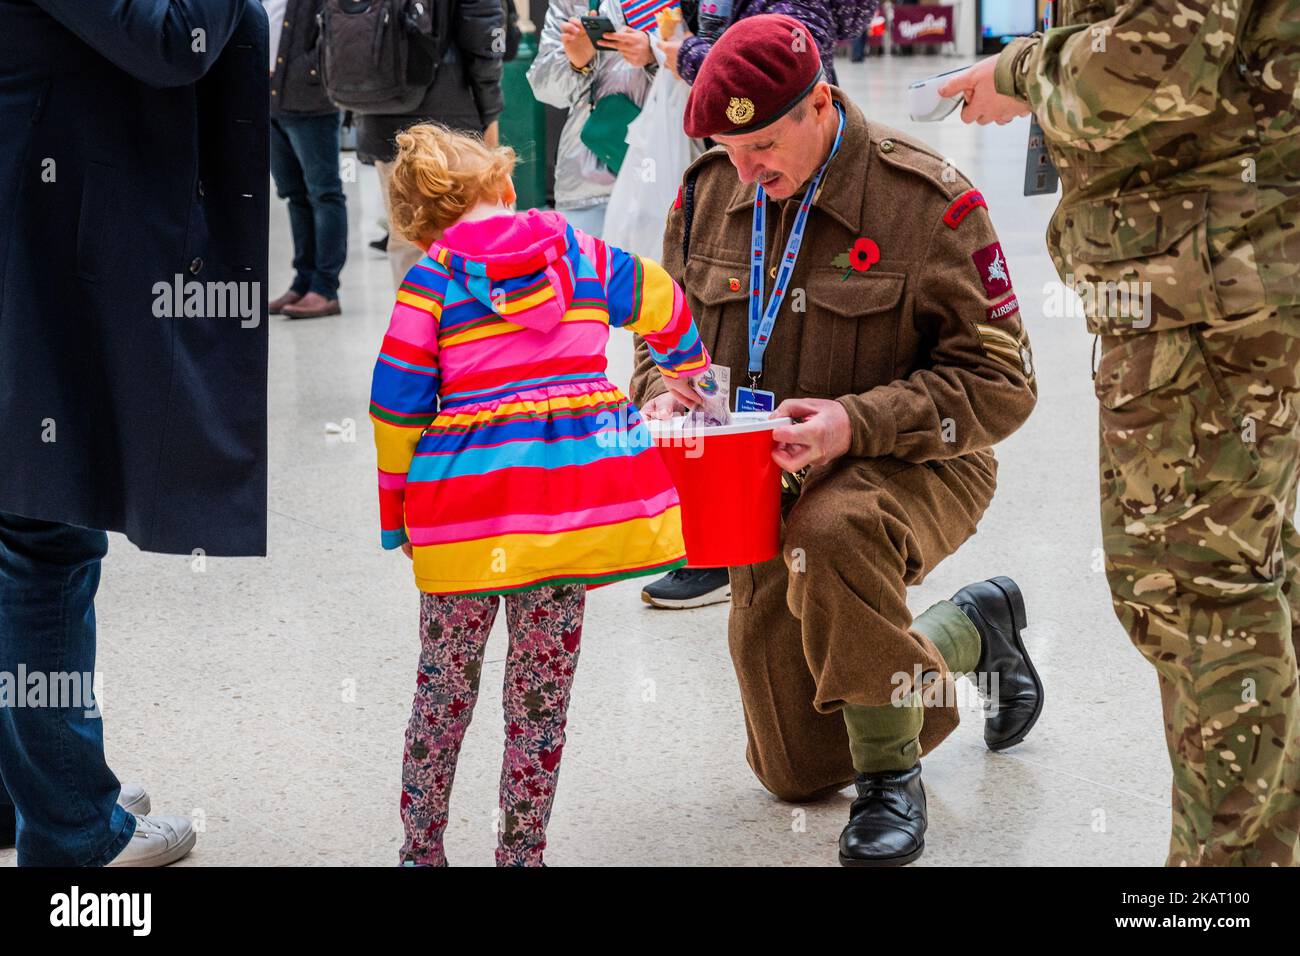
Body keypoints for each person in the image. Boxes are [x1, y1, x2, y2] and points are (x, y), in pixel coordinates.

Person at [630, 14, 1042, 866]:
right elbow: (654, 331)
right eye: (729, 151)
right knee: (794, 768)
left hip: (919, 460)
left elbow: (1006, 385)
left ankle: (894, 785)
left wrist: (856, 423)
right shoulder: (709, 193)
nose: (747, 172)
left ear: (819, 104)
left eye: (765, 147)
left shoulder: (927, 202)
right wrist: (660, 393)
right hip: (760, 479)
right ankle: (976, 628)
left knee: (833, 527)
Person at [940, 0, 1300, 866]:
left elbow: (1154, 58)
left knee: (1197, 594)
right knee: (1244, 573)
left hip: (1208, 294)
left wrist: (1019, 72)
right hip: (1207, 281)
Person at [368, 124, 709, 865]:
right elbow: (663, 299)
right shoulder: (582, 255)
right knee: (539, 699)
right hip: (571, 517)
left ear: (422, 226)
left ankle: (420, 852)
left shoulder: (429, 282)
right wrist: (692, 371)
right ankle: (522, 853)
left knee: (443, 688)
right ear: (506, 189)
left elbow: (395, 408)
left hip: (465, 519)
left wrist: (396, 510)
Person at [0, 0, 270, 866]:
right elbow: (169, 38)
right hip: (33, 243)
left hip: (38, 223)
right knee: (41, 540)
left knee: (26, 527)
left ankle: (33, 790)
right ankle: (74, 829)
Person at [358, 0, 505, 291]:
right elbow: (487, 40)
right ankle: (470, 330)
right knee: (470, 229)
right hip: (451, 120)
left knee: (406, 236)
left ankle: (413, 327)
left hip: (381, 113)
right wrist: (489, 111)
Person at [527, 0, 655, 238]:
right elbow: (543, 88)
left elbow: (699, 70)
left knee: (656, 274)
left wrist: (653, 52)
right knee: (586, 273)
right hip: (586, 181)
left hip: (660, 175)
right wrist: (577, 63)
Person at [265, 0, 347, 319]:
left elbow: (339, 30)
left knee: (324, 194)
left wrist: (309, 69)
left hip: (311, 101)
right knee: (294, 195)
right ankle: (303, 281)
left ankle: (325, 288)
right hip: (270, 98)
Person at [661, 0, 877, 84]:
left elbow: (784, 74)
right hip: (746, 142)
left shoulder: (797, 8)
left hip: (776, 158)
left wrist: (689, 57)